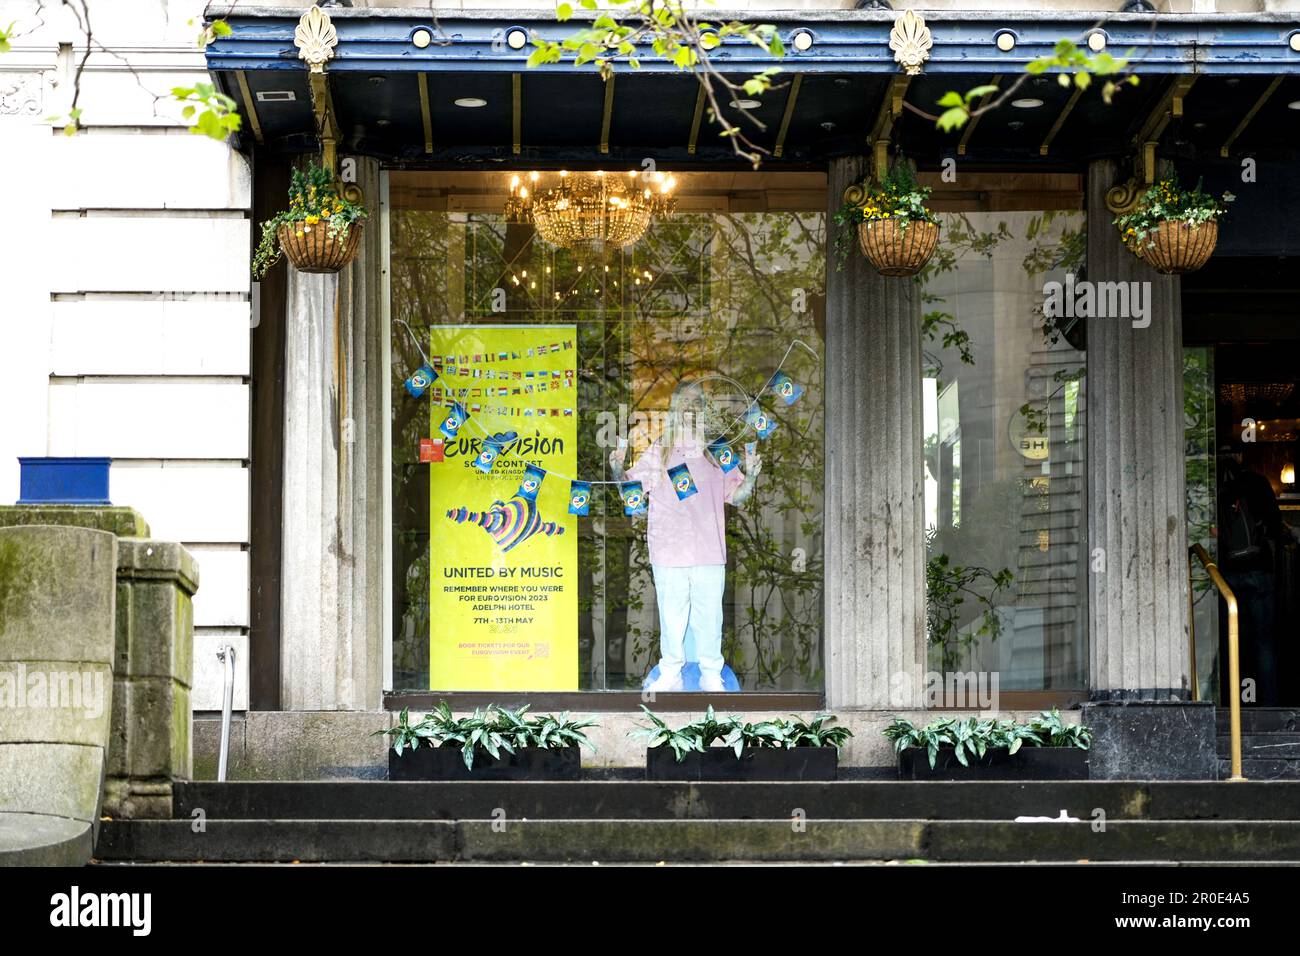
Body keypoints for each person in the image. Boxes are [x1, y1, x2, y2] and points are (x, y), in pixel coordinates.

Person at [610, 380, 761, 693]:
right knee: (672, 618)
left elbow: (738, 495)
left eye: (697, 402)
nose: (691, 408)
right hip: (668, 551)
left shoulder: (718, 451)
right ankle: (671, 672)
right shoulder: (659, 451)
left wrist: (753, 476)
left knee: (710, 618)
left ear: (704, 409)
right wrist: (615, 470)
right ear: (674, 409)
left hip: (708, 551)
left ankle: (710, 673)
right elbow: (632, 496)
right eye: (684, 402)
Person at [1216, 448, 1284, 706]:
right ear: (1241, 458)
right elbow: (1275, 525)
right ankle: (1269, 706)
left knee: (1228, 643)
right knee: (1264, 643)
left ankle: (1228, 704)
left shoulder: (1214, 488)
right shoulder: (1257, 482)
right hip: (1258, 570)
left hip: (1225, 577)